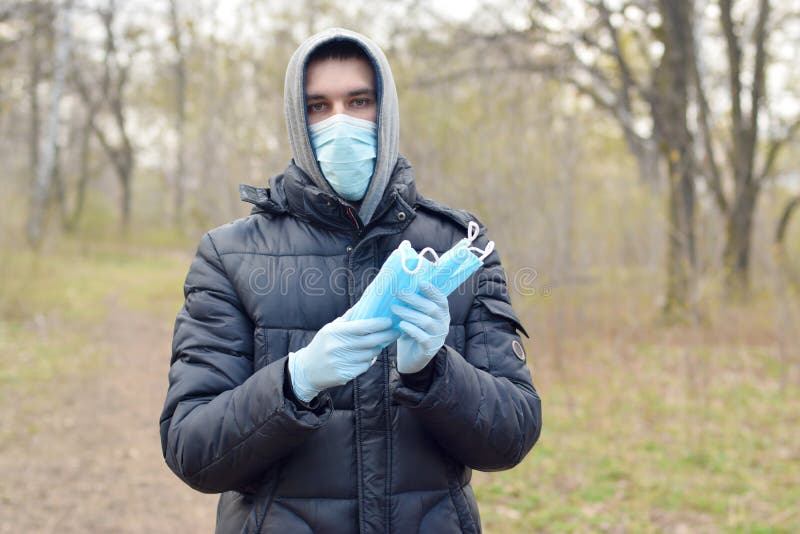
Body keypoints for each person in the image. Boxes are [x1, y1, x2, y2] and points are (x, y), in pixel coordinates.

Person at [159, 27, 541, 533]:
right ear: (297, 121)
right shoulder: (229, 256)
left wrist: (435, 374)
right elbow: (192, 449)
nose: (339, 121)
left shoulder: (459, 247)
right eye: (318, 106)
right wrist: (295, 383)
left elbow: (513, 435)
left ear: (387, 113)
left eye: (359, 101)